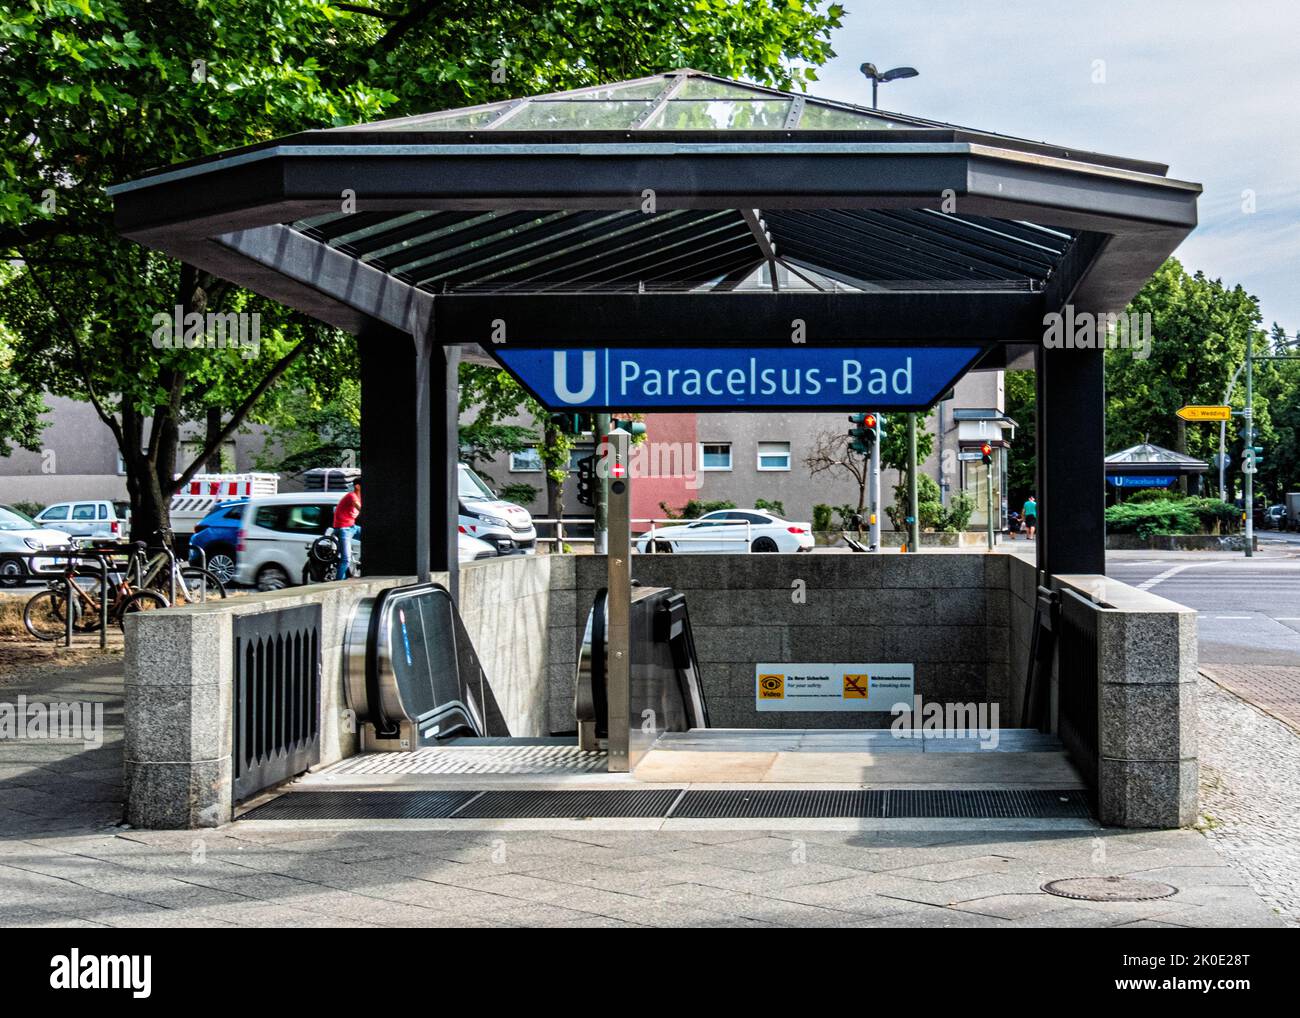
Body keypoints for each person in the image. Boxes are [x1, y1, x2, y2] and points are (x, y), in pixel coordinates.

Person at [333, 476, 361, 578]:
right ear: (357, 486)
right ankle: (338, 583)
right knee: (346, 559)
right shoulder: (352, 496)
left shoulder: (360, 497)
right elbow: (359, 507)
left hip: (353, 527)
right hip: (343, 529)